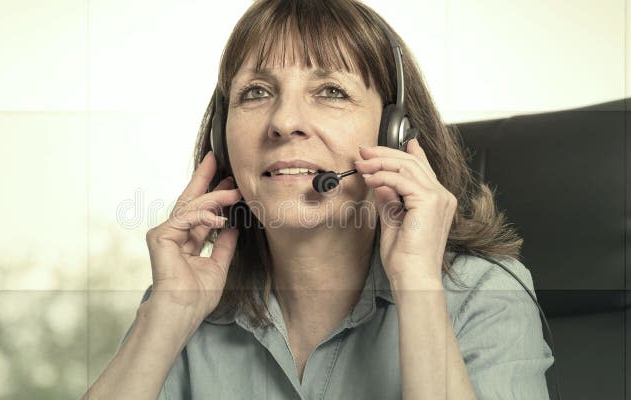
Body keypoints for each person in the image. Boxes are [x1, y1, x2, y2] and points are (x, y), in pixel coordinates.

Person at [83, 0, 554, 399]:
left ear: (395, 131)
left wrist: (419, 289)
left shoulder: (481, 295)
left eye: (330, 91)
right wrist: (166, 315)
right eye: (257, 92)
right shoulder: (188, 299)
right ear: (222, 141)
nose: (285, 121)